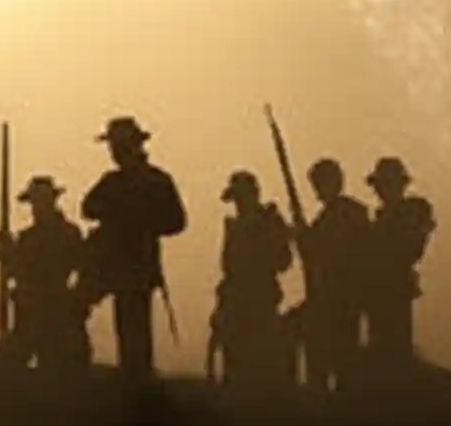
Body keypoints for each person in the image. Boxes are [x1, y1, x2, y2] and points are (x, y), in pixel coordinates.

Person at [81, 116, 186, 377]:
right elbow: (88, 208)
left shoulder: (155, 181)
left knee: (134, 329)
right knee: (123, 324)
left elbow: (176, 222)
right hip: (116, 264)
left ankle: (138, 385)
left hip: (137, 264)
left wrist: (142, 221)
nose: (114, 152)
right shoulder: (117, 181)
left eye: (117, 146)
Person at [206, 170, 294, 393]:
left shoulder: (269, 222)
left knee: (260, 371)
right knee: (235, 370)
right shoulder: (235, 226)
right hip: (235, 303)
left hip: (260, 304)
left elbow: (283, 261)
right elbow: (229, 270)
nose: (238, 203)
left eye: (241, 197)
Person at [0, 176, 91, 371]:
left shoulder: (66, 234)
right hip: (32, 311)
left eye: (39, 202)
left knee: (55, 366)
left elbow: (84, 268)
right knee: (13, 362)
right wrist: (6, 254)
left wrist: (78, 301)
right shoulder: (31, 237)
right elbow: (16, 272)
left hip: (55, 311)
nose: (35, 208)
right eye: (34, 203)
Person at [298, 158, 370, 394]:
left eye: (319, 184)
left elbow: (329, 251)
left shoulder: (348, 213)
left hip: (341, 298)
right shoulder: (338, 213)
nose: (317, 191)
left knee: (341, 359)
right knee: (327, 356)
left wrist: (304, 238)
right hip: (330, 297)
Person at [365, 157, 435, 379]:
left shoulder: (409, 214)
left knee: (395, 345)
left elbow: (409, 250)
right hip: (379, 290)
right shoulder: (385, 217)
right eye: (380, 185)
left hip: (395, 288)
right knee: (382, 343)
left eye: (387, 184)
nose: (381, 190)